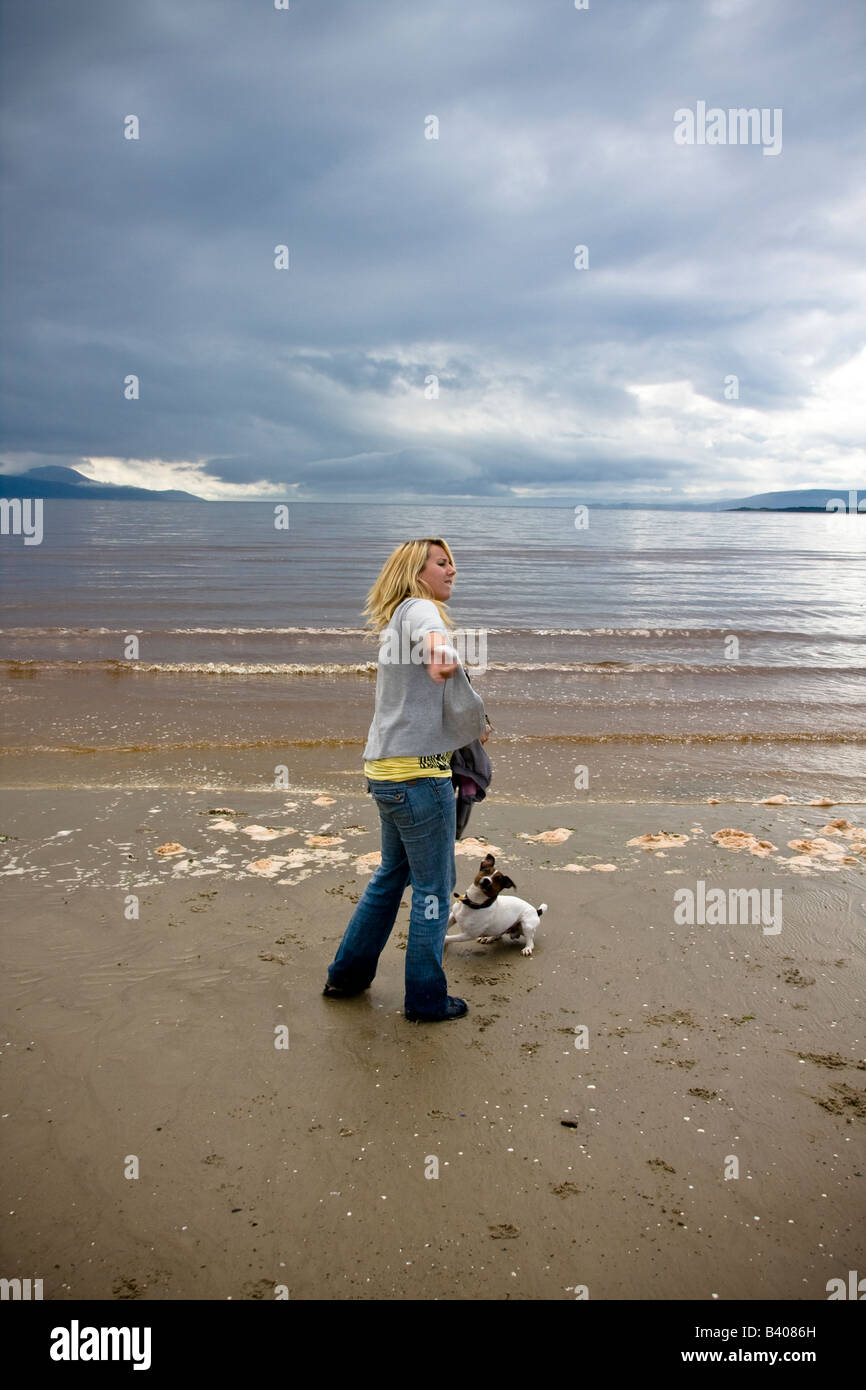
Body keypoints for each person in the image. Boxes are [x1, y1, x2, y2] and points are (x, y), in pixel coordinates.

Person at [323, 538, 489, 1021]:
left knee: (391, 876)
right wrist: (444, 657)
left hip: (386, 772)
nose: (452, 570)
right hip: (418, 777)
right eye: (442, 563)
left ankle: (346, 978)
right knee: (435, 890)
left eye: (453, 561)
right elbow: (436, 645)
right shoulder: (421, 611)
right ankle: (425, 999)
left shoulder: (398, 619)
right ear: (417, 573)